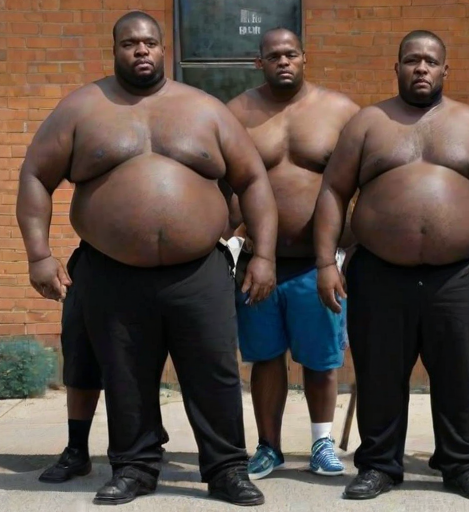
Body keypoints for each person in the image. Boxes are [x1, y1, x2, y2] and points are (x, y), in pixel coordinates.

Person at [16, 10, 278, 506]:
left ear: (164, 50)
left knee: (215, 371)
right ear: (114, 50)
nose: (141, 51)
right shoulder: (80, 109)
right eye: (130, 43)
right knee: (124, 372)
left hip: (199, 268)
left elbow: (252, 180)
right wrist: (38, 255)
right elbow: (35, 177)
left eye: (150, 43)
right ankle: (135, 467)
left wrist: (263, 254)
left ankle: (226, 468)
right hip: (111, 270)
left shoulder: (205, 109)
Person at [313, 30, 469, 501]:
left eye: (430, 61)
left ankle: (463, 463)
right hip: (380, 272)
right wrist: (326, 260)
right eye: (412, 60)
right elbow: (333, 191)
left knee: (461, 373)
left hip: (460, 273)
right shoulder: (369, 123)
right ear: (398, 68)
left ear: (446, 70)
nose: (421, 68)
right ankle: (379, 465)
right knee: (381, 372)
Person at [225, 27, 359, 479]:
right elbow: (222, 183)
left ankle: (322, 442)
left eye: (292, 54)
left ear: (305, 58)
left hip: (316, 264)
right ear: (258, 63)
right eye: (274, 56)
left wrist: (348, 247)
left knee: (321, 359)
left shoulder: (340, 112)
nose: (284, 61)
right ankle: (269, 446)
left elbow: (369, 182)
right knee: (264, 357)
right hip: (257, 261)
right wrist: (225, 237)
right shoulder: (237, 112)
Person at [37, 241, 171, 485]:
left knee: (138, 358)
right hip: (94, 258)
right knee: (80, 356)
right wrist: (40, 256)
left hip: (153, 267)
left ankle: (148, 435)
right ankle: (77, 449)